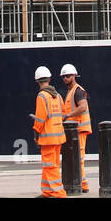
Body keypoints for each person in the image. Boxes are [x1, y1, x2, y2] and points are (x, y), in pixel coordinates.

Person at [32, 66, 67, 198]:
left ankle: (59, 193)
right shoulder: (57, 95)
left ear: (37, 81)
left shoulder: (42, 96)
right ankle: (47, 191)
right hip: (58, 136)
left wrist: (36, 133)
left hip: (47, 138)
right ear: (49, 79)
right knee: (53, 164)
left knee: (50, 166)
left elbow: (40, 119)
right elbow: (63, 114)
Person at [60, 63, 92, 193]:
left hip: (79, 129)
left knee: (79, 158)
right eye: (63, 77)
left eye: (67, 76)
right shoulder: (71, 91)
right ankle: (81, 183)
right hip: (74, 130)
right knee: (76, 158)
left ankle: (83, 185)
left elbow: (83, 107)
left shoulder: (77, 91)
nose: (65, 79)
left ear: (74, 75)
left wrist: (68, 115)